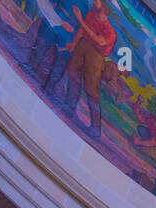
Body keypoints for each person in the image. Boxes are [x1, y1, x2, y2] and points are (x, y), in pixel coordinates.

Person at [46, 0, 117, 139]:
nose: (94, 3)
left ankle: (96, 128)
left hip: (96, 55)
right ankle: (69, 107)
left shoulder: (110, 31)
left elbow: (99, 41)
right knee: (73, 72)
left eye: (97, 2)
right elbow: (81, 30)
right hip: (82, 45)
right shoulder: (90, 15)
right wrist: (73, 43)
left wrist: (79, 19)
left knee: (91, 88)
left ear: (103, 8)